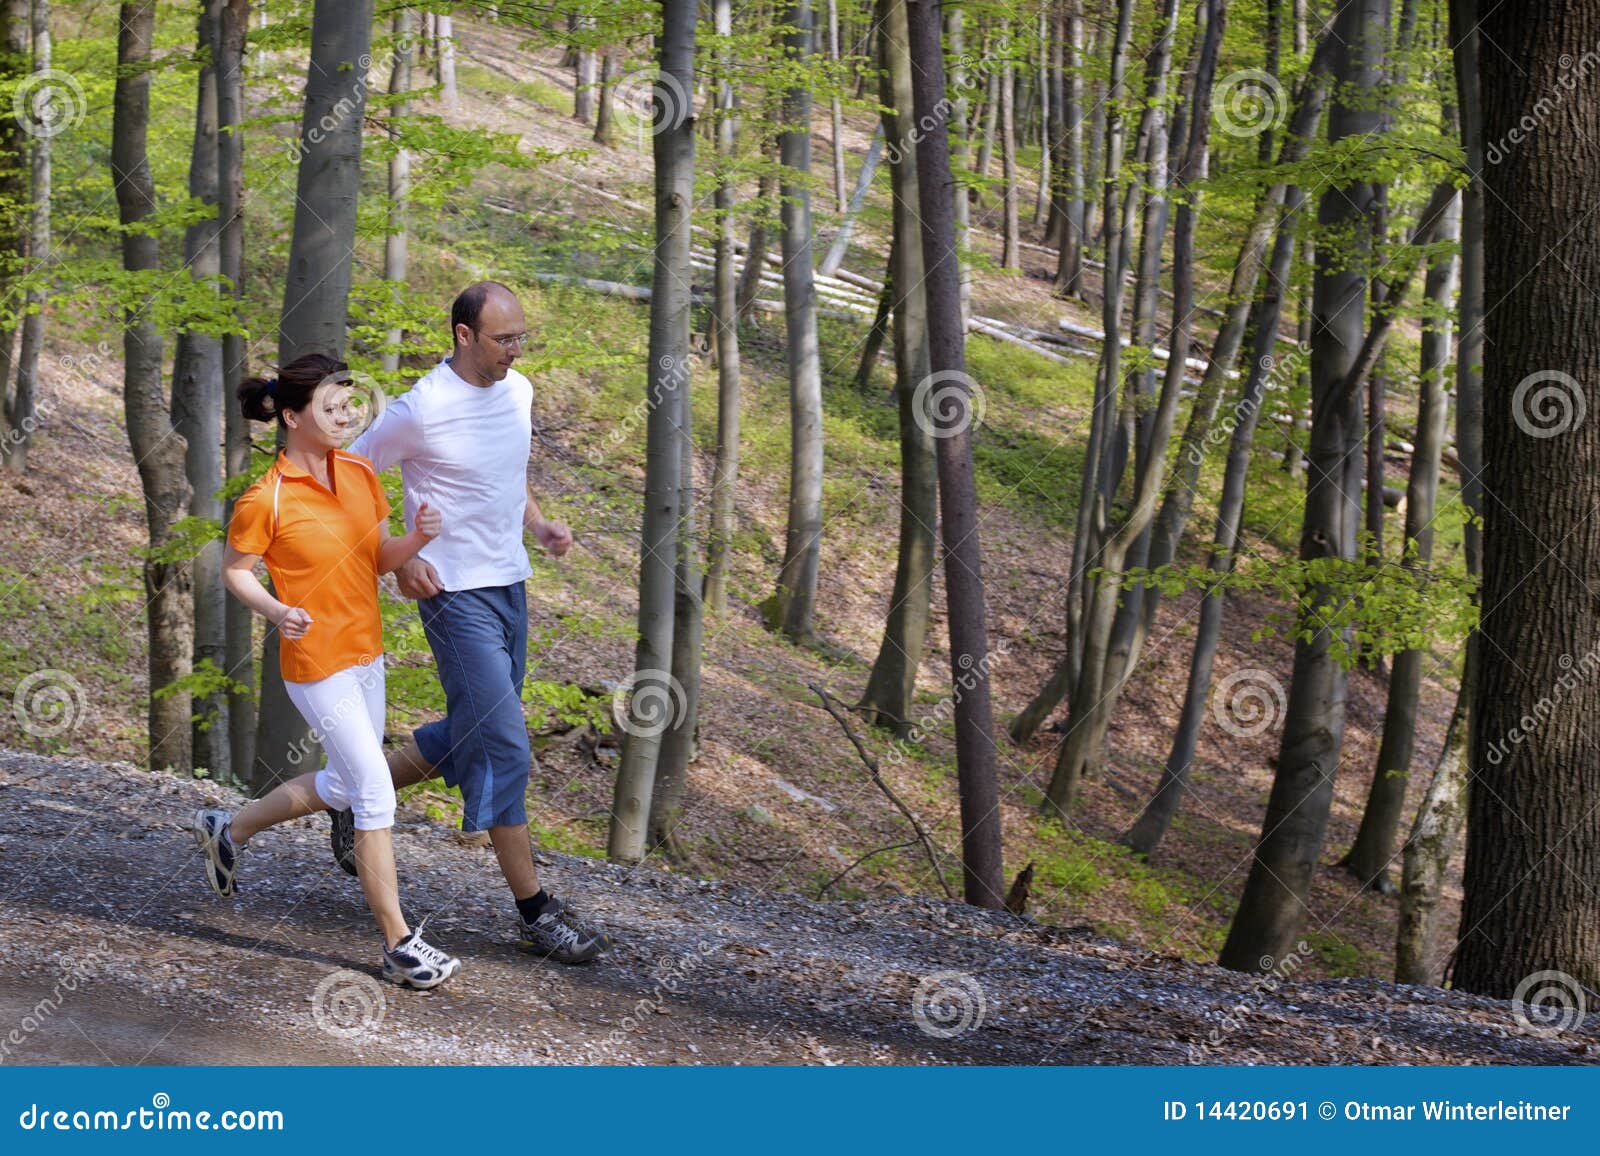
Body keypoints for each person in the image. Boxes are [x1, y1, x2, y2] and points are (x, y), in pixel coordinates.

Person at [338, 281, 613, 965]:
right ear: (464, 335)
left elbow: (507, 471)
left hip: (509, 582)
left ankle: (353, 792)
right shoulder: (421, 409)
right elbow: (352, 478)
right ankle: (535, 912)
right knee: (505, 745)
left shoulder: (517, 393)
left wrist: (540, 523)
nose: (516, 351)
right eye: (503, 339)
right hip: (453, 592)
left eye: (522, 337)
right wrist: (393, 562)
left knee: (471, 734)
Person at [192, 353, 461, 991]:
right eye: (332, 407)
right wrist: (276, 609)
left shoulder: (363, 474)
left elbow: (376, 559)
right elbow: (235, 570)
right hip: (315, 664)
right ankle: (398, 945)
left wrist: (418, 541)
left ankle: (228, 827)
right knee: (373, 791)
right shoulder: (268, 497)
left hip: (366, 651)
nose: (347, 417)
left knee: (344, 784)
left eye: (349, 405)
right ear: (291, 417)